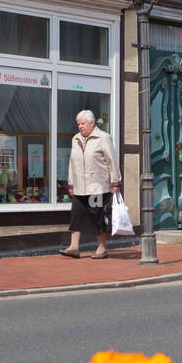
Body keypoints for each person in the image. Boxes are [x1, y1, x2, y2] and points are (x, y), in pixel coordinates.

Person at [60, 110, 121, 259]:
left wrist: (115, 181)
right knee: (76, 215)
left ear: (92, 123)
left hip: (97, 188)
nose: (80, 126)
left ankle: (101, 247)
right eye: (78, 124)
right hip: (80, 187)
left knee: (97, 216)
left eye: (83, 123)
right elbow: (72, 163)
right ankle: (74, 247)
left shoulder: (103, 138)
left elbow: (111, 160)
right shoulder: (75, 139)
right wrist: (71, 184)